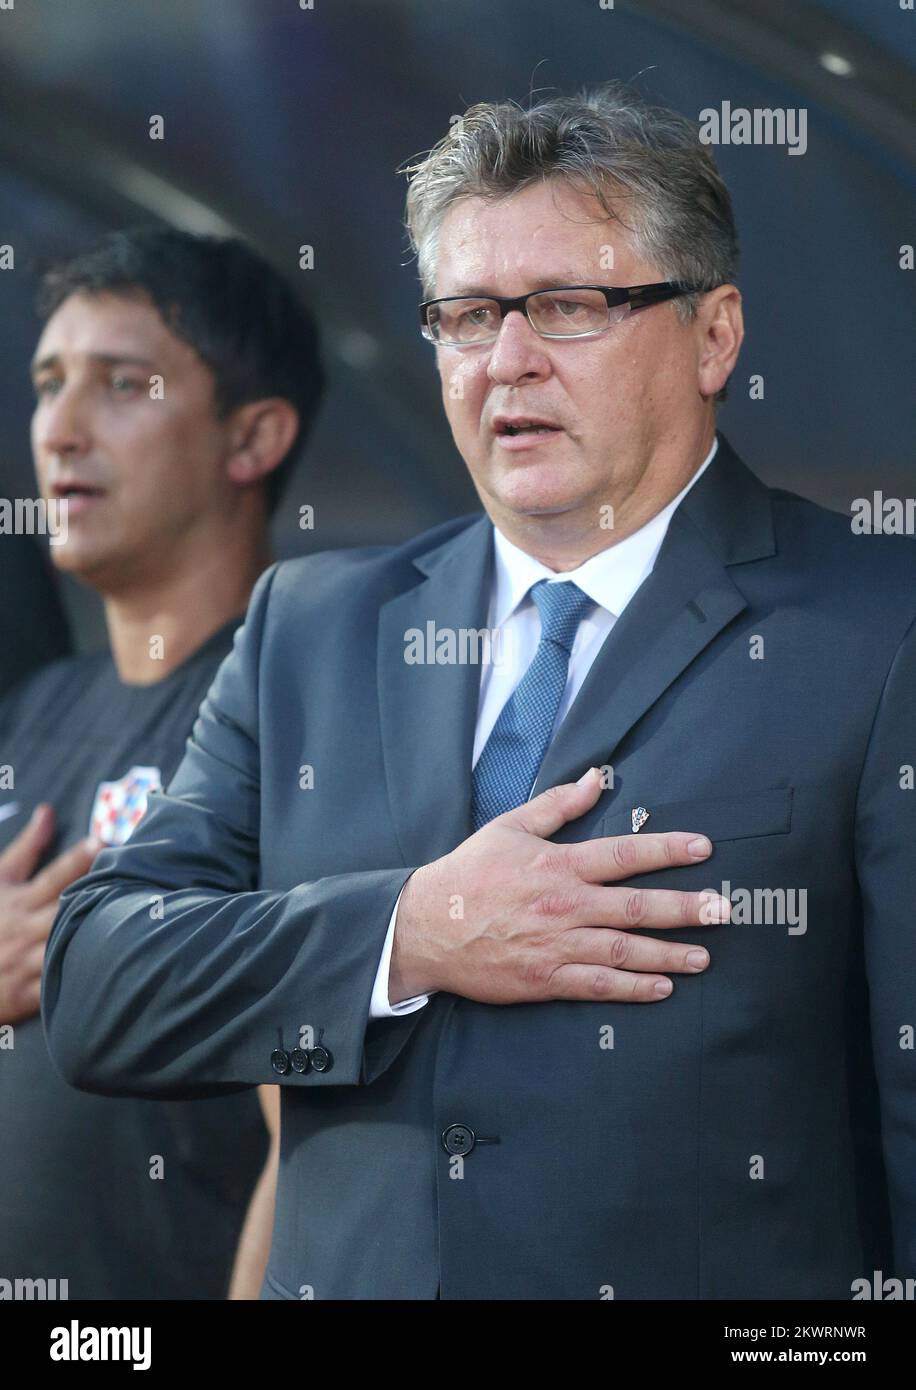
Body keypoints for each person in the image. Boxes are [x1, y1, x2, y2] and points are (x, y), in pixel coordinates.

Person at [45, 86, 915, 1300]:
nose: (507, 359)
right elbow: (98, 987)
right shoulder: (312, 627)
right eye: (466, 314)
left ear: (714, 336)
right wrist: (412, 930)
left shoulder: (879, 628)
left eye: (569, 306)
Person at [1, 225, 321, 1299]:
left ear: (253, 437)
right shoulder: (35, 708)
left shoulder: (301, 709)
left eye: (123, 385)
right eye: (48, 383)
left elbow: (312, 1135)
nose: (62, 428)